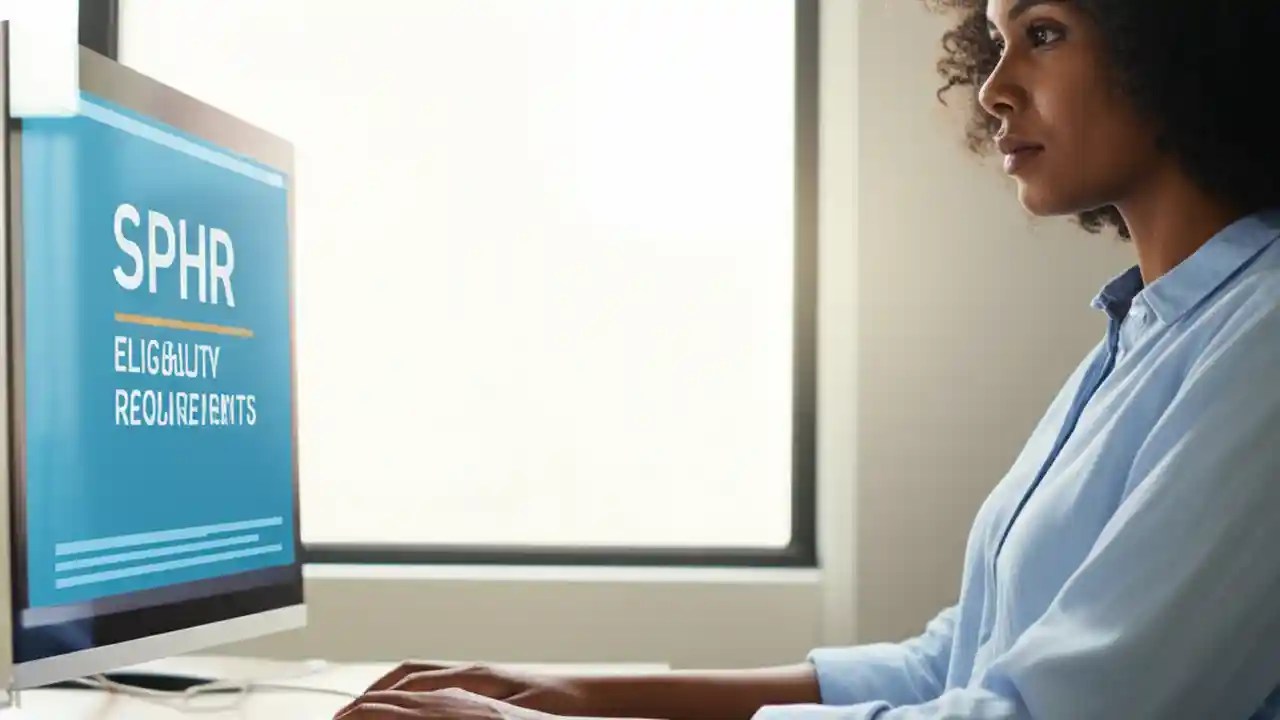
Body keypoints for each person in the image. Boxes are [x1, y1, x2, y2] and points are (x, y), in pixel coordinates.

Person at [333, 0, 1280, 717]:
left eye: (1042, 34)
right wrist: (578, 692)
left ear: (1180, 43)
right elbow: (956, 663)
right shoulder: (1149, 333)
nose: (994, 89)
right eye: (993, 42)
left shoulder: (1263, 336)